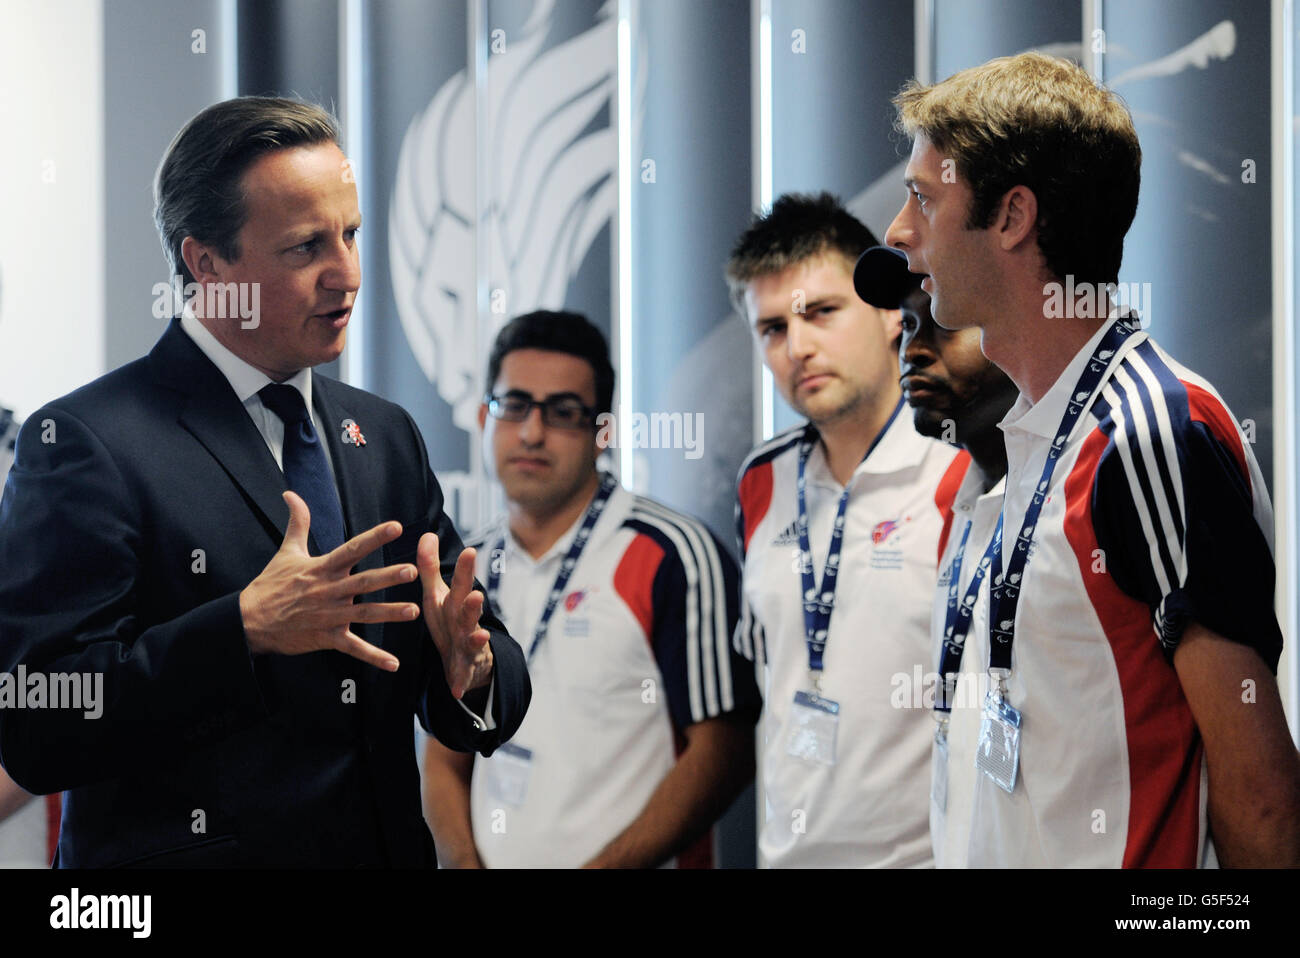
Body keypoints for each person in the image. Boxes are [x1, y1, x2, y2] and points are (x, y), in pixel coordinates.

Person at [0, 96, 529, 867]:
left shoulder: (385, 435)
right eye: (305, 247)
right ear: (206, 264)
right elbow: (38, 726)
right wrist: (239, 629)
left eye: (349, 234)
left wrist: (471, 671)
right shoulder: (88, 442)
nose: (345, 272)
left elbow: (480, 668)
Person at [885, 51, 1300, 866]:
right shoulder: (1009, 449)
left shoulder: (1153, 429)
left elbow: (1262, 801)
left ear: (1012, 218)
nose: (901, 232)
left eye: (925, 199)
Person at [422, 311, 759, 867]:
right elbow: (445, 754)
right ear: (485, 418)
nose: (532, 432)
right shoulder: (467, 569)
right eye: (515, 406)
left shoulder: (673, 554)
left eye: (563, 412)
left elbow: (722, 753)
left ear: (604, 433)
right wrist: (461, 861)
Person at [726, 192, 964, 867]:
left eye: (821, 312)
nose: (798, 347)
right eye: (772, 329)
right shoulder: (760, 481)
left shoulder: (963, 471)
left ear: (892, 313)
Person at [854, 243, 1019, 866]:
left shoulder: (1107, 465)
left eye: (942, 325)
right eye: (910, 326)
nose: (913, 350)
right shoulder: (962, 504)